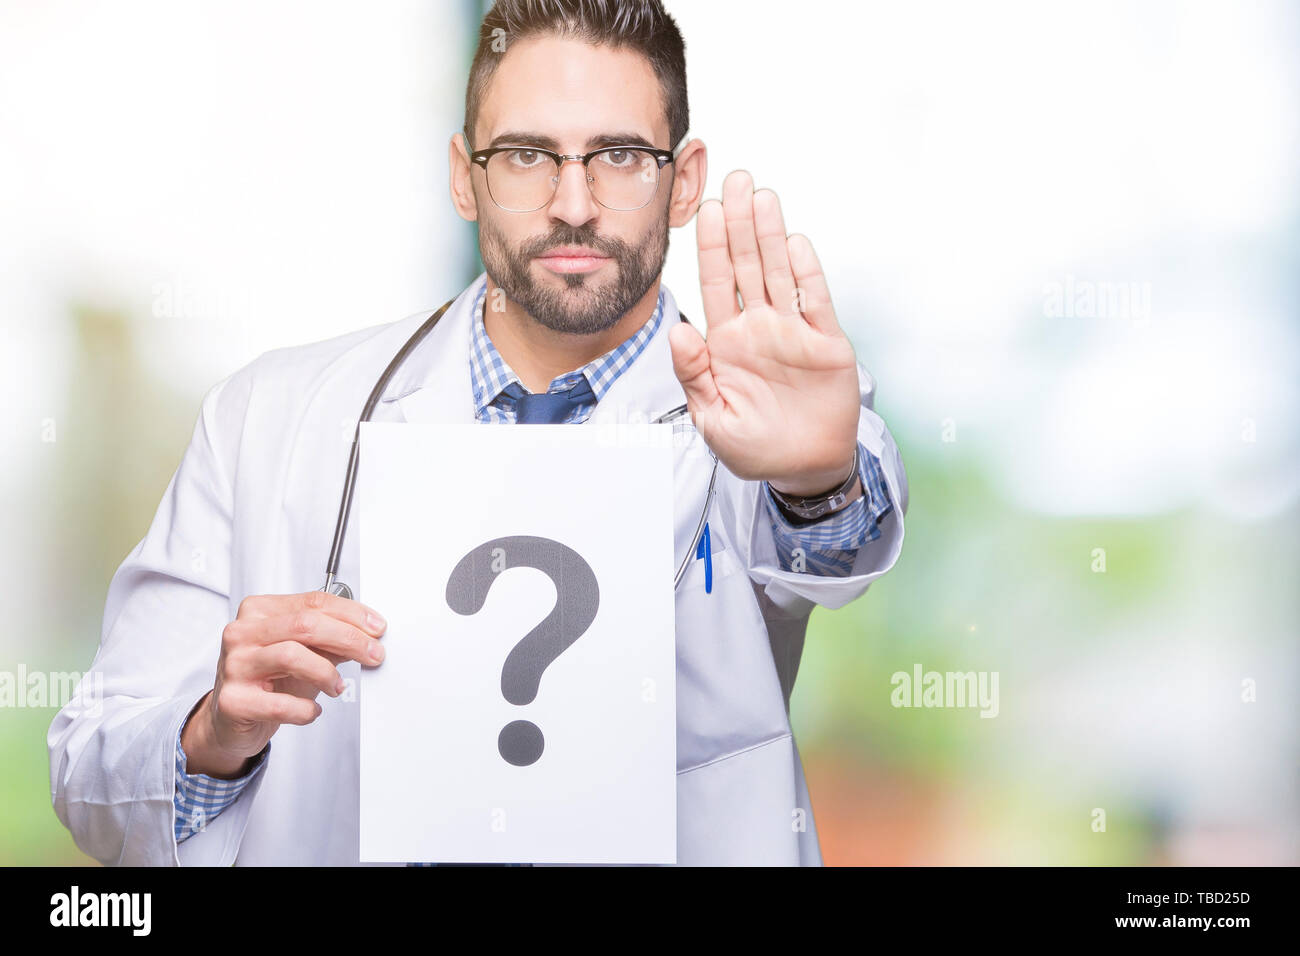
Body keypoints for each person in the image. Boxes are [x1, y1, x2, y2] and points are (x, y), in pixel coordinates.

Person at [48, 0, 907, 866]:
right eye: (528, 155)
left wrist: (822, 481)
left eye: (617, 155)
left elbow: (834, 547)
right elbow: (90, 776)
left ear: (683, 182)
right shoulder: (267, 417)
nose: (575, 205)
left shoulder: (762, 417)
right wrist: (214, 731)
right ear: (464, 176)